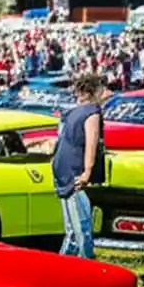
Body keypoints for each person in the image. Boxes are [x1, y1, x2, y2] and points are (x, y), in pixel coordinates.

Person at [51, 73, 106, 259]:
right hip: (76, 171)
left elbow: (58, 142)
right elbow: (91, 144)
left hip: (61, 169)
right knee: (83, 229)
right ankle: (87, 267)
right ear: (94, 91)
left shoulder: (70, 112)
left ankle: (60, 268)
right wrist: (88, 171)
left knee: (71, 232)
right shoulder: (92, 113)